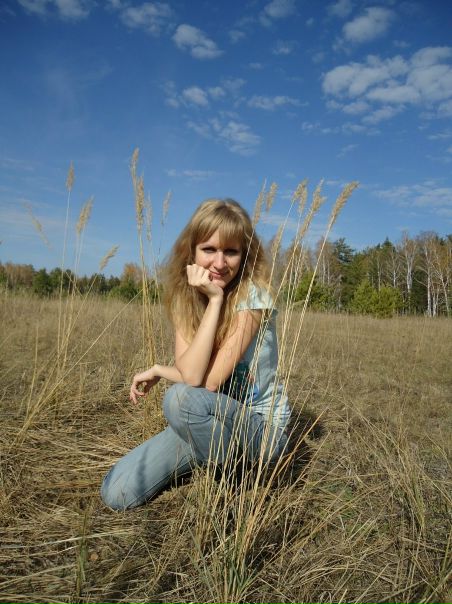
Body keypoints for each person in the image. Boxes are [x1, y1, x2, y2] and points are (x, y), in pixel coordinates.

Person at [101, 198, 291, 510]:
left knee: (178, 400)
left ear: (244, 255)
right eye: (209, 249)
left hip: (260, 430)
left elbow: (206, 383)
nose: (219, 263)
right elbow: (193, 374)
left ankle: (236, 477)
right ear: (192, 251)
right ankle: (210, 451)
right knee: (117, 492)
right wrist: (160, 369)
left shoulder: (253, 296)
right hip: (208, 418)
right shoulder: (185, 299)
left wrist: (215, 301)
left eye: (231, 251)